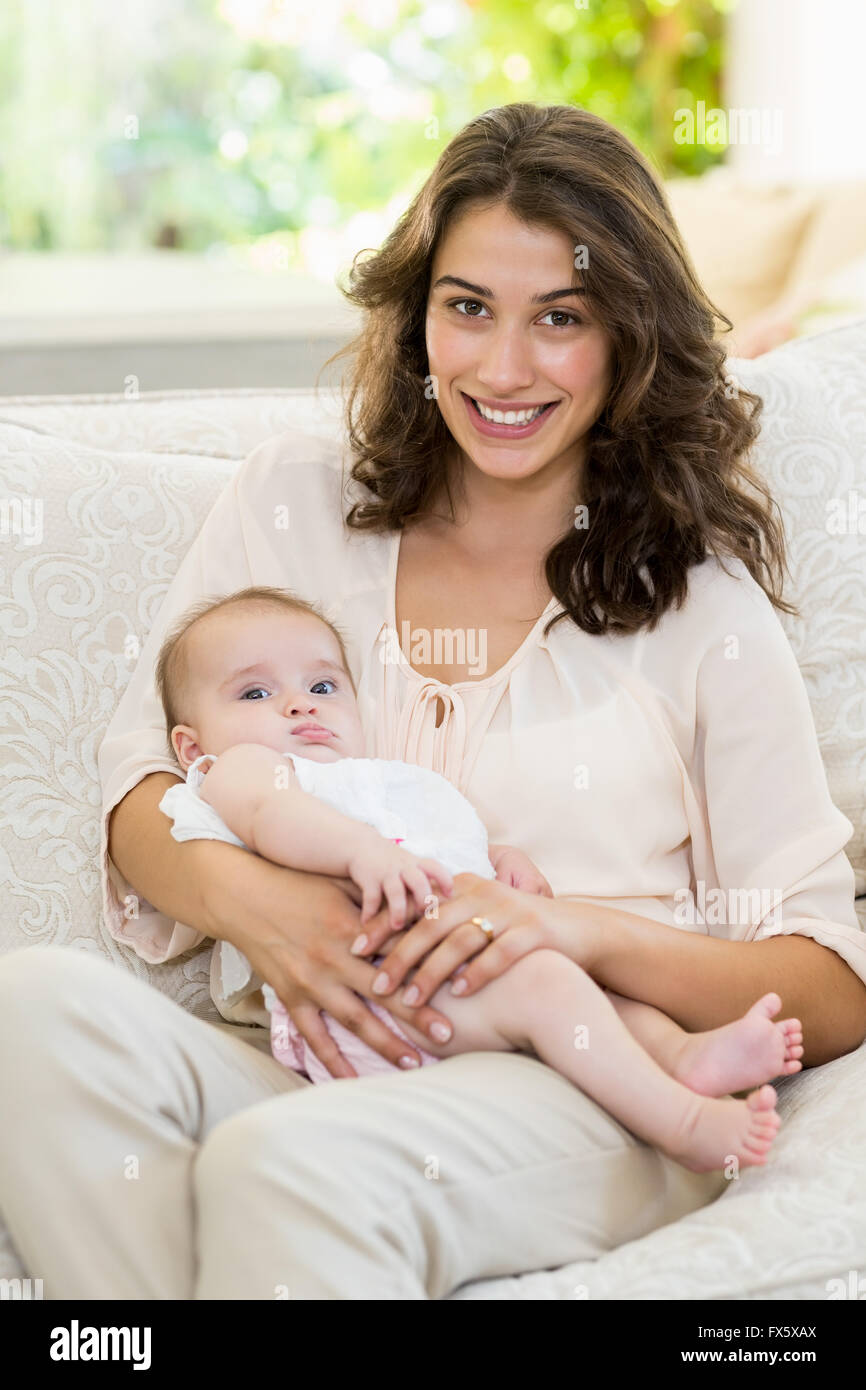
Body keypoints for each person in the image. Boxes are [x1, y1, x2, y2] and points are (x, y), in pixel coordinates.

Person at [2, 102, 865, 1301]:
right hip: (316, 1059)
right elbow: (147, 786)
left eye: (558, 319)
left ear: (628, 342)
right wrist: (268, 914)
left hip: (587, 1082)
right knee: (26, 1011)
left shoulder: (696, 605)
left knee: (290, 1166)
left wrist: (576, 931)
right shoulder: (294, 504)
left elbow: (824, 980)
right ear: (417, 319)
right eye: (466, 308)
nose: (501, 370)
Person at [156, 585, 800, 1173]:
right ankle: (681, 1125)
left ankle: (683, 1059)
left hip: (448, 976)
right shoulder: (237, 772)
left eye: (323, 686)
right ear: (191, 747)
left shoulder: (387, 781)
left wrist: (501, 860)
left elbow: (444, 842)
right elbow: (275, 818)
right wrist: (360, 851)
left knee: (595, 986)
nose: (298, 703)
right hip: (369, 998)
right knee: (548, 984)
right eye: (255, 693)